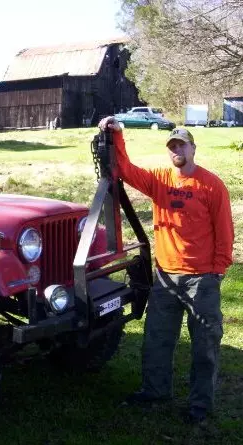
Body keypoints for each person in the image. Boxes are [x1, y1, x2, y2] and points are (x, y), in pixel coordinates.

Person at [98, 117, 234, 425]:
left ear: (193, 148)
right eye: (172, 146)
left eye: (181, 145)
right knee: (157, 338)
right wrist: (117, 134)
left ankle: (200, 406)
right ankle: (155, 391)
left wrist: (217, 269)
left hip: (202, 279)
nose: (177, 150)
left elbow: (224, 231)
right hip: (166, 277)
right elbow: (125, 170)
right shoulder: (159, 179)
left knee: (204, 345)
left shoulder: (211, 185)